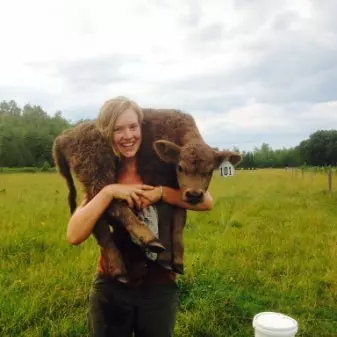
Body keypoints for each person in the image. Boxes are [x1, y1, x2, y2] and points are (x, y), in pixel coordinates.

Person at [66, 96, 214, 337]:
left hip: (159, 286)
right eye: (118, 129)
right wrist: (109, 192)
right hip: (112, 286)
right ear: (107, 133)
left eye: (133, 127)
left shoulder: (163, 169)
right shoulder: (103, 173)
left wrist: (161, 193)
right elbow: (73, 235)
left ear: (142, 127)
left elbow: (207, 202)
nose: (128, 136)